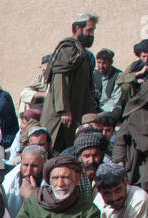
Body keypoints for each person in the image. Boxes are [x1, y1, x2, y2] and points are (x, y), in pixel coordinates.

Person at [42, 13, 99, 152]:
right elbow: (60, 78)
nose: (91, 35)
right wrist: (64, 109)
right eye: (89, 31)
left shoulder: (80, 51)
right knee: (55, 150)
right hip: (62, 115)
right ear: (77, 28)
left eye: (93, 31)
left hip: (76, 109)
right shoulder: (69, 49)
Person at [2, 144, 46, 215]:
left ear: (43, 165)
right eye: (25, 165)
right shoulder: (8, 182)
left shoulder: (51, 185)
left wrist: (33, 197)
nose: (29, 171)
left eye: (34, 166)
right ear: (21, 163)